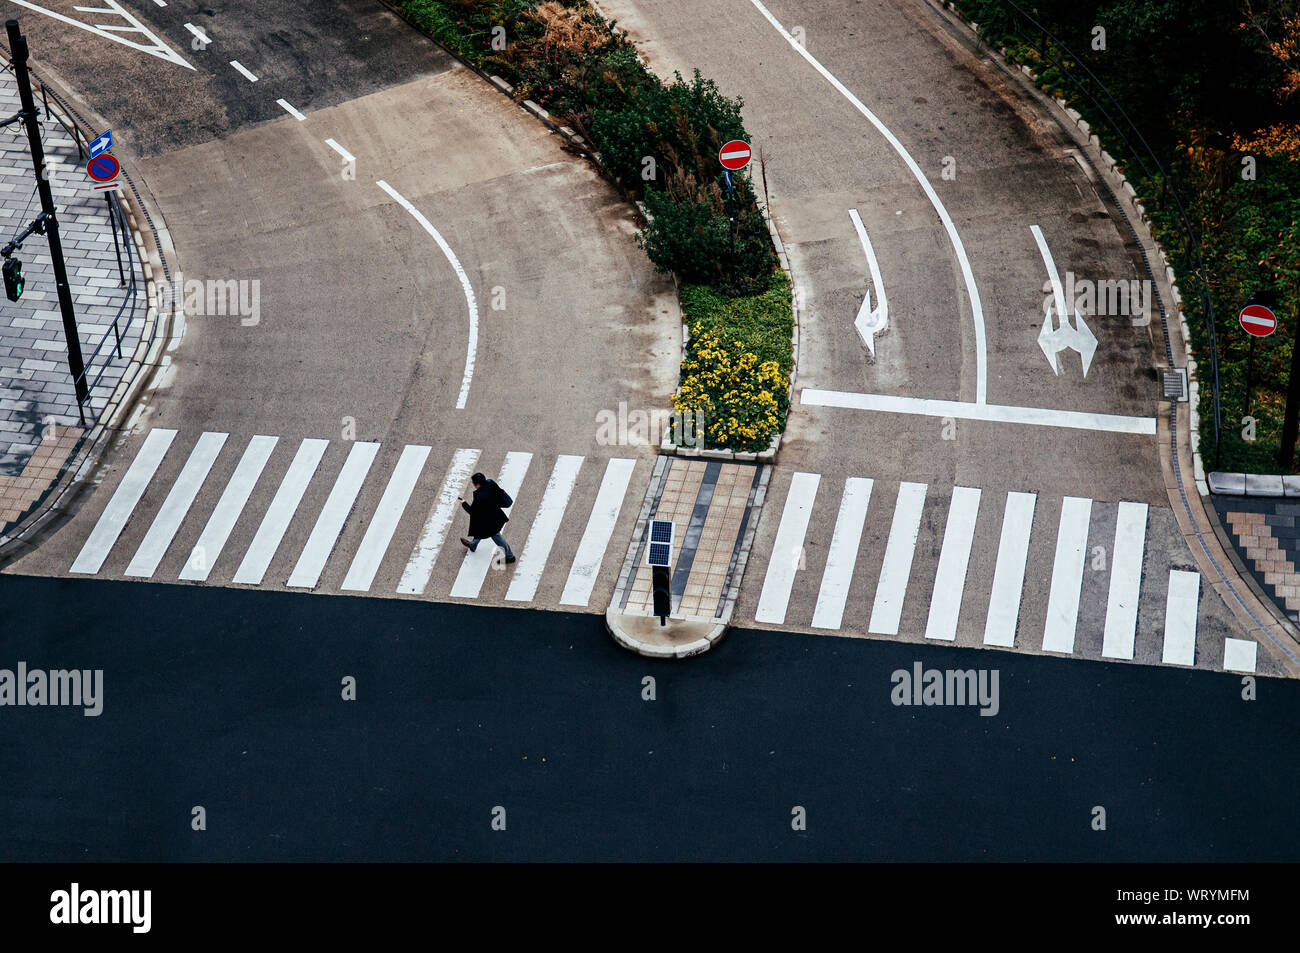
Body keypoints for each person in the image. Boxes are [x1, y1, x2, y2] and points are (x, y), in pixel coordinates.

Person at [459, 472, 515, 562]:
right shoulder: (490, 482)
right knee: (481, 529)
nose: (472, 484)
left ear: (477, 485)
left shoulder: (480, 497)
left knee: (496, 536)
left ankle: (509, 556)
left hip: (490, 520)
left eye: (473, 483)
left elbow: (473, 512)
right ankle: (473, 545)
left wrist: (464, 503)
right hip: (495, 513)